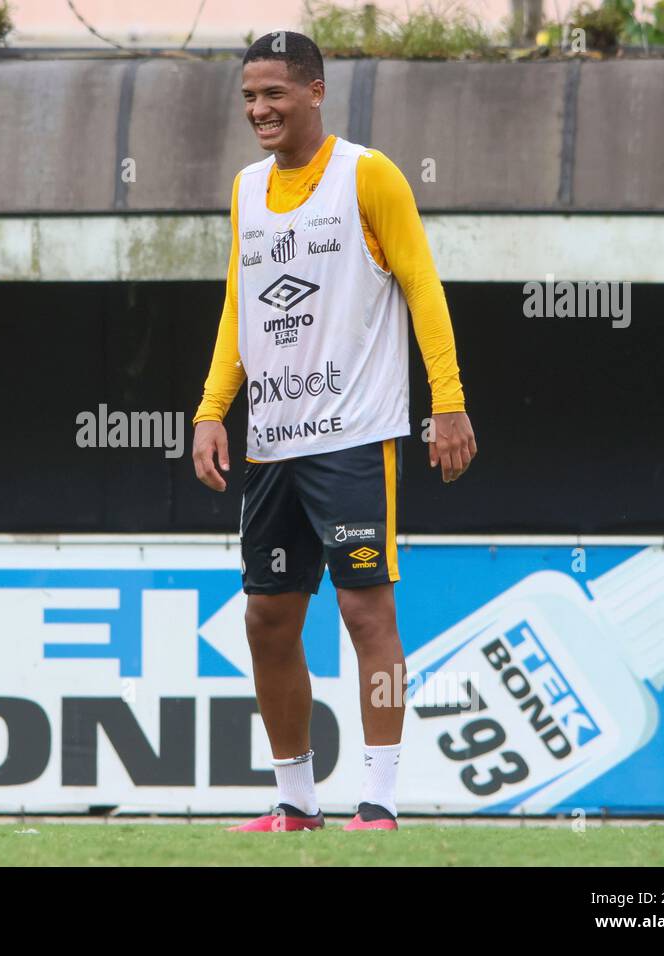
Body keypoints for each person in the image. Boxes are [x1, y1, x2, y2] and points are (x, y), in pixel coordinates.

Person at [192, 32, 477, 832]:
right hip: (271, 445)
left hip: (354, 437)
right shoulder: (247, 188)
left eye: (275, 94)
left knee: (365, 614)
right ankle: (295, 800)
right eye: (249, 96)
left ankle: (380, 801)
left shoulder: (368, 175)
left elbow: (422, 285)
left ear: (316, 92)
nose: (260, 110)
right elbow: (238, 311)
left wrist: (447, 403)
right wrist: (212, 409)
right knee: (267, 619)